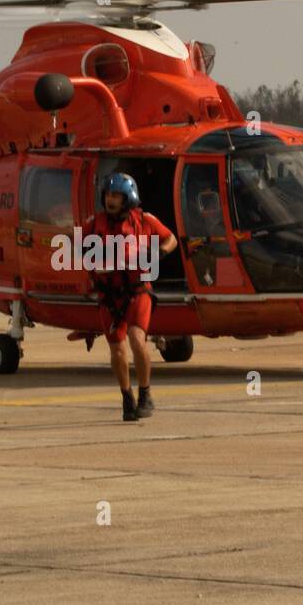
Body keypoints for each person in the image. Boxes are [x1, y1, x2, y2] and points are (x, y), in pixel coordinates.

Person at [87, 173, 179, 421]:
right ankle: (127, 396)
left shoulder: (145, 220)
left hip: (137, 293)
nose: (110, 200)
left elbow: (171, 239)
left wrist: (158, 253)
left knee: (138, 340)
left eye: (115, 196)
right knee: (117, 350)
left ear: (128, 198)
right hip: (109, 297)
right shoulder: (95, 223)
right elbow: (77, 245)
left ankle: (145, 394)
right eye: (107, 195)